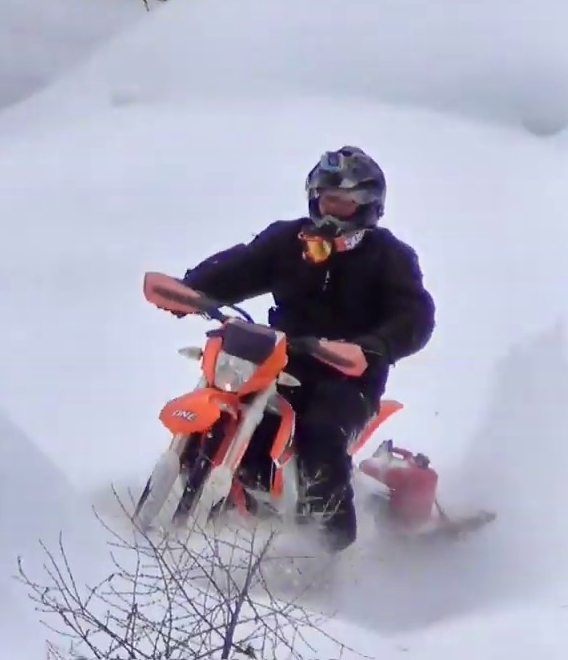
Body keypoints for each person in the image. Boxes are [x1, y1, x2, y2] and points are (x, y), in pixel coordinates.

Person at [172, 145, 436, 552]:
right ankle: (205, 502)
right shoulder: (289, 241)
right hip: (278, 364)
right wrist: (189, 290)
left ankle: (330, 547)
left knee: (320, 432)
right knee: (225, 407)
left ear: (368, 206)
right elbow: (241, 266)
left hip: (348, 378)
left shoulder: (390, 257)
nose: (333, 211)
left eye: (344, 203)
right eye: (327, 200)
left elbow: (415, 316)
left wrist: (372, 347)